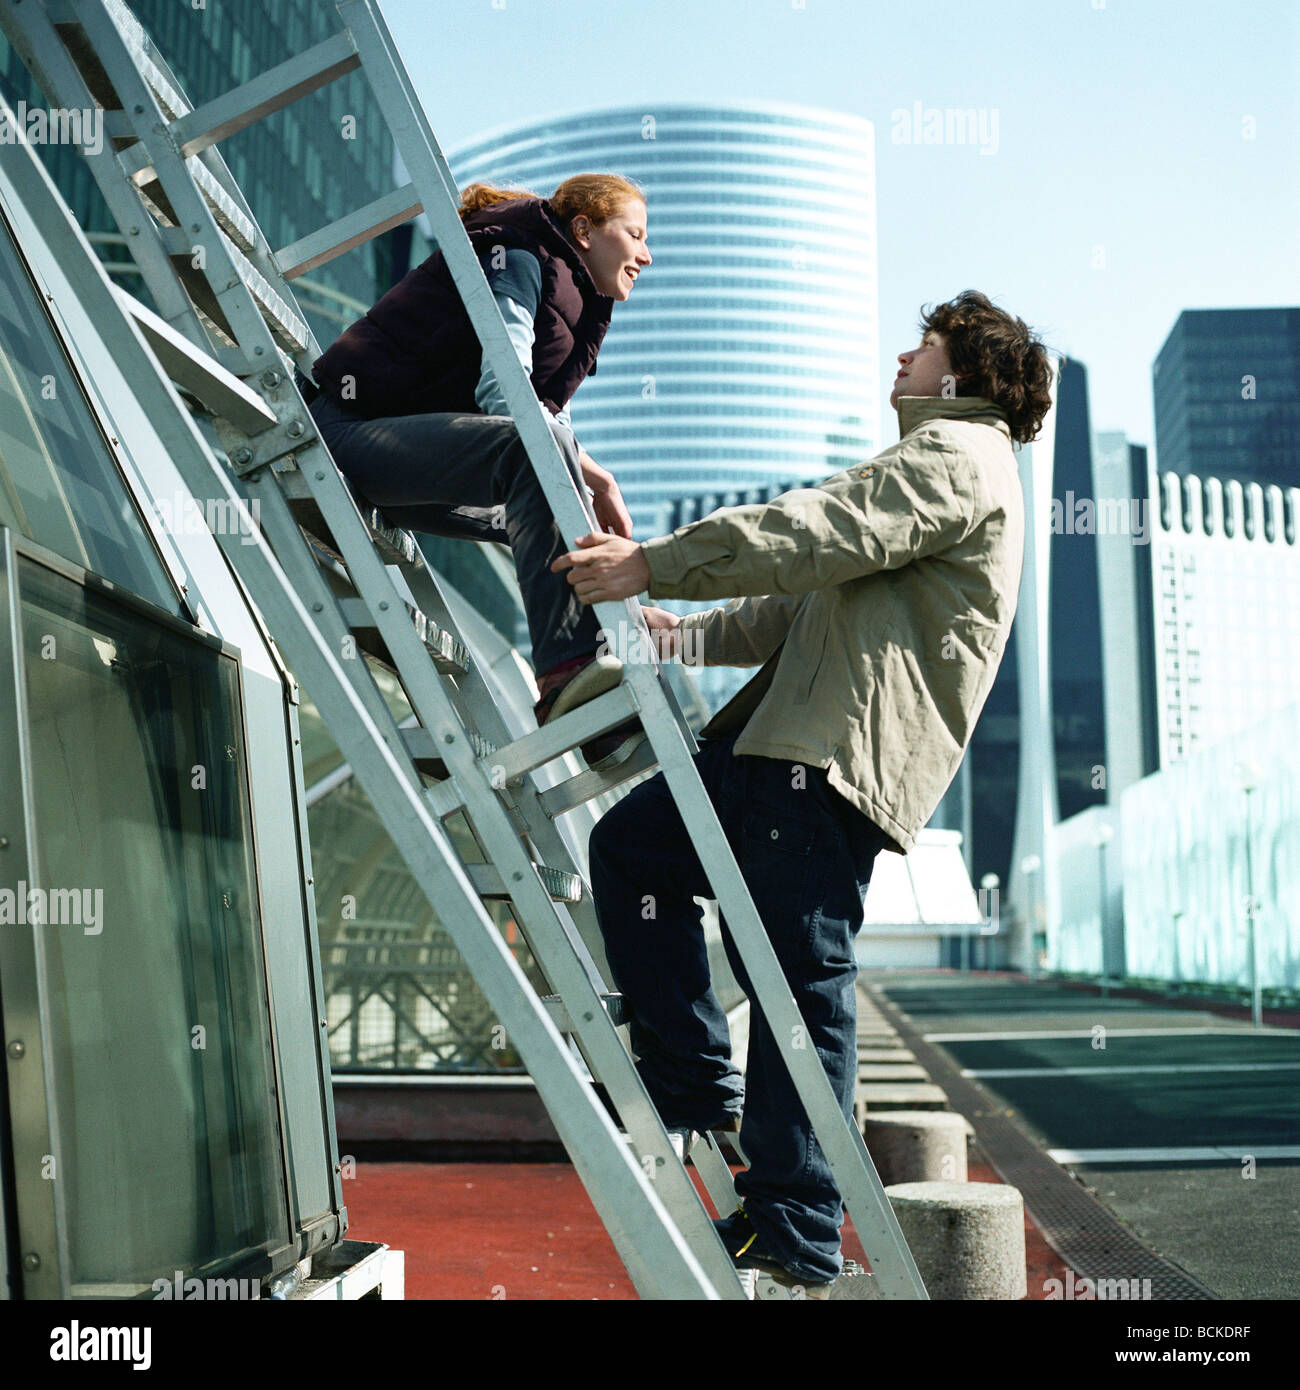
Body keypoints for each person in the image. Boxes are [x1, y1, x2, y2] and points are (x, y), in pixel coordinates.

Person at [553, 290, 1054, 1295]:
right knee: (634, 849)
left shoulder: (959, 457)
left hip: (822, 764)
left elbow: (816, 529)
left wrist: (654, 563)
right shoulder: (932, 467)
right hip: (776, 749)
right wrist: (676, 631)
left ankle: (797, 1219)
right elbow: (794, 604)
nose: (903, 358)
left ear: (962, 374)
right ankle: (695, 1079)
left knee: (795, 983)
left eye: (923, 346)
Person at [303, 175, 653, 768]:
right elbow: (505, 393)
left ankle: (602, 694)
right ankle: (567, 675)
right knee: (541, 464)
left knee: (567, 515)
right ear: (584, 231)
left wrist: (599, 508)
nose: (647, 255)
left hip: (403, 460)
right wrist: (599, 480)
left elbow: (547, 427)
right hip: (349, 437)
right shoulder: (517, 256)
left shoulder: (574, 302)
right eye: (635, 234)